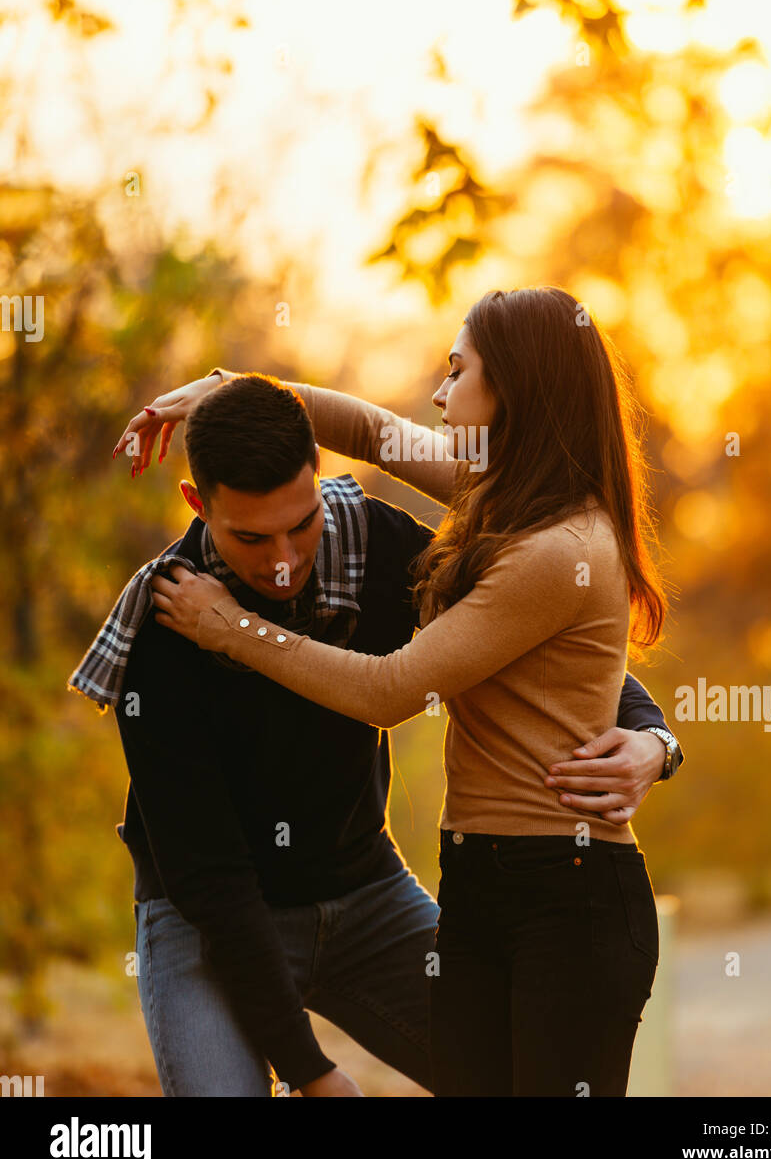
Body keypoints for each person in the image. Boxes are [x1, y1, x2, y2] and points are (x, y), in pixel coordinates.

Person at [133, 285, 679, 1096]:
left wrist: (232, 630)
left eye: (456, 373)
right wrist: (236, 393)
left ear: (513, 394)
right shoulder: (502, 499)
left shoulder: (548, 545)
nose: (436, 393)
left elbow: (391, 690)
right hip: (477, 883)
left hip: (559, 893)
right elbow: (363, 429)